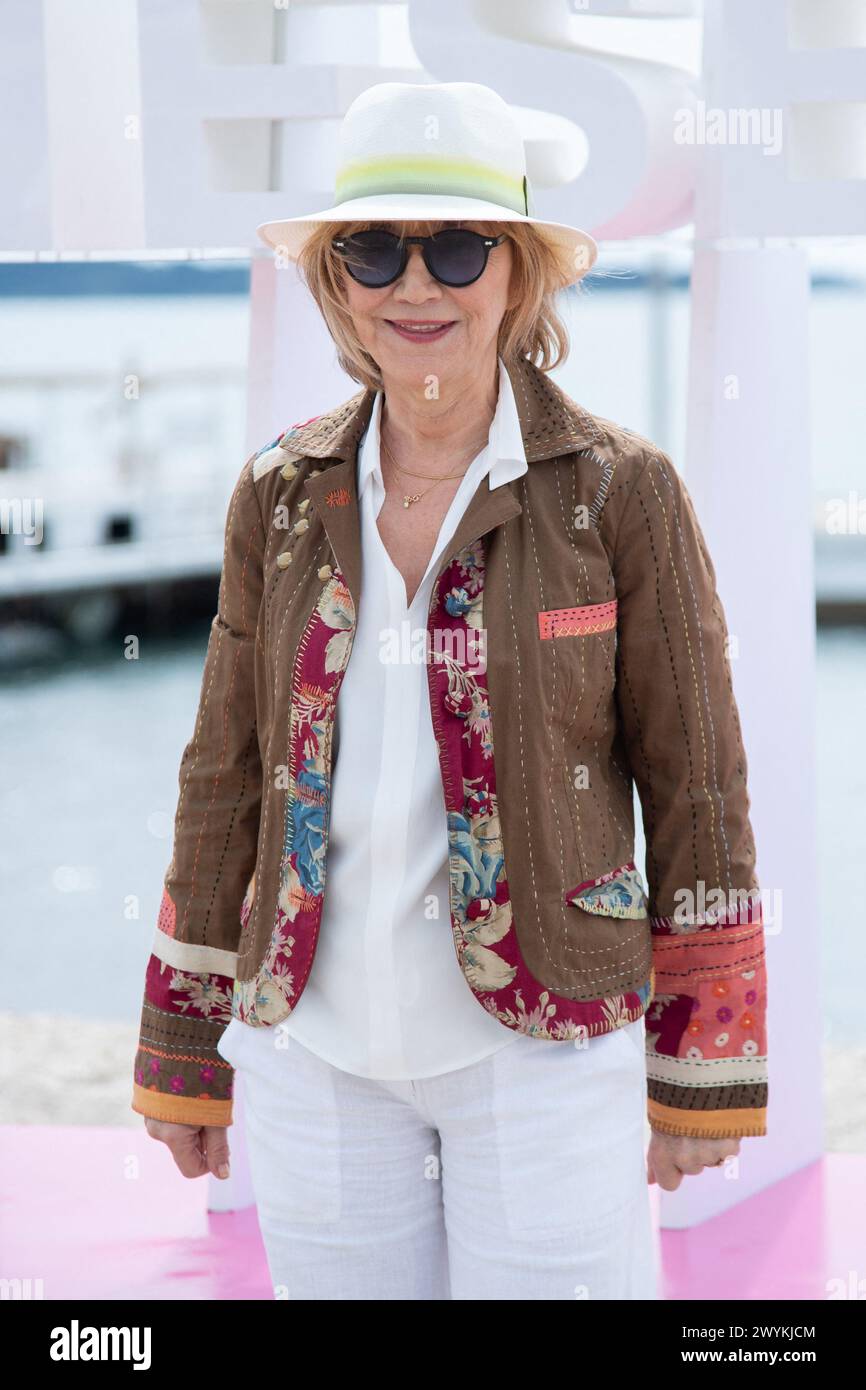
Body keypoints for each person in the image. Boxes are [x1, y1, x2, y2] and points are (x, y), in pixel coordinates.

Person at [131, 81, 768, 1301]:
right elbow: (222, 773)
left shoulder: (619, 490)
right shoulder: (277, 491)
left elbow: (697, 778)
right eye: (373, 249)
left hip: (545, 1057)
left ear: (517, 274)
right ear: (335, 282)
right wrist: (181, 1047)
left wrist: (702, 1062)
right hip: (312, 1054)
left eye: (458, 247)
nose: (413, 285)